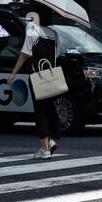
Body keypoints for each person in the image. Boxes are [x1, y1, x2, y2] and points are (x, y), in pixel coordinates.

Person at [7, 9, 63, 159]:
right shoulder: (54, 34)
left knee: (40, 112)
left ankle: (45, 148)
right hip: (51, 76)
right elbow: (56, 55)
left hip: (37, 76)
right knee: (50, 109)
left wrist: (13, 73)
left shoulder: (32, 33)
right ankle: (49, 141)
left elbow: (24, 54)